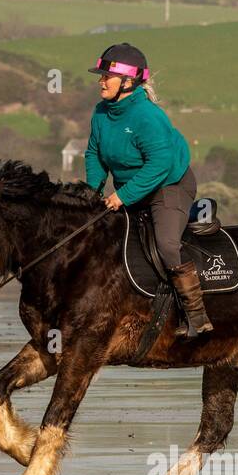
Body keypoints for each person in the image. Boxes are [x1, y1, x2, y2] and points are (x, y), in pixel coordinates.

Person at [83, 43, 212, 336]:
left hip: (168, 184)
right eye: (100, 76)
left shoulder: (148, 116)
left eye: (106, 76)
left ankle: (195, 315)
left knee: (166, 243)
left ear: (128, 82)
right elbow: (94, 154)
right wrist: (90, 193)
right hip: (132, 187)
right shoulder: (101, 113)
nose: (100, 81)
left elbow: (160, 164)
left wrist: (122, 196)